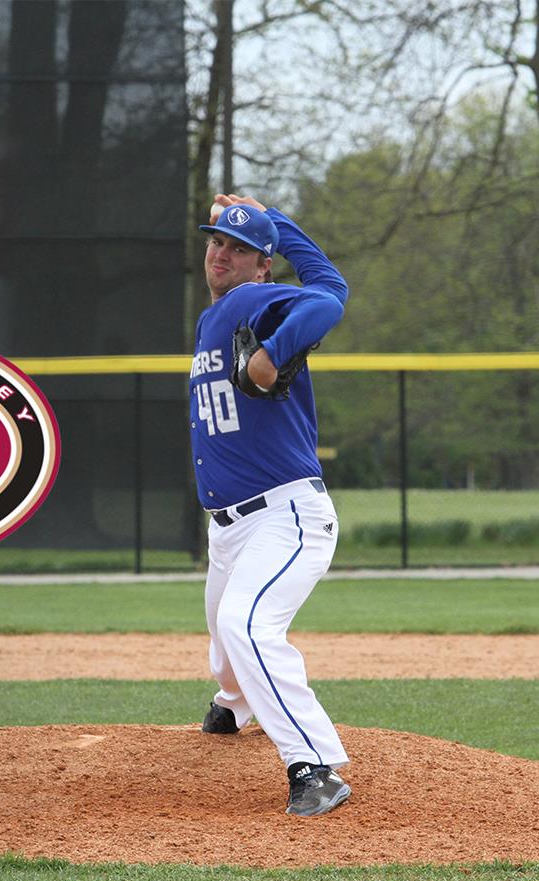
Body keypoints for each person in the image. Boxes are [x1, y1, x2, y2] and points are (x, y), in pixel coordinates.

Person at [190, 192, 351, 817]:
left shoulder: (252, 301)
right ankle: (232, 705)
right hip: (229, 527)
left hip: (284, 516)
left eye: (240, 248)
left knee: (247, 625)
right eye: (217, 242)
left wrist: (271, 353)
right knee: (224, 638)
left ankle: (315, 768)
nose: (222, 253)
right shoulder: (215, 318)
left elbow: (327, 297)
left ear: (264, 265)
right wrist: (263, 221)